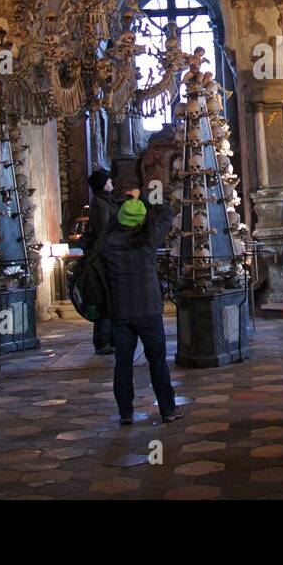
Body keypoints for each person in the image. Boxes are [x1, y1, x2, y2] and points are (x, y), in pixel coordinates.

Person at [100, 188, 182, 425]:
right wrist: (143, 199)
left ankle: (126, 413)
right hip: (148, 309)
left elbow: (107, 227)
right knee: (157, 360)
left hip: (121, 311)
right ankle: (167, 410)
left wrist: (125, 207)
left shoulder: (110, 242)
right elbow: (167, 212)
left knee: (123, 363)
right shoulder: (148, 238)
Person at [87, 168, 117, 355]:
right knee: (104, 299)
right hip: (106, 257)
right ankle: (103, 341)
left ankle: (111, 339)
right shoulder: (101, 204)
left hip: (108, 256)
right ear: (104, 184)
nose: (112, 182)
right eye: (109, 180)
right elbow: (105, 231)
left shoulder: (105, 202)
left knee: (111, 300)